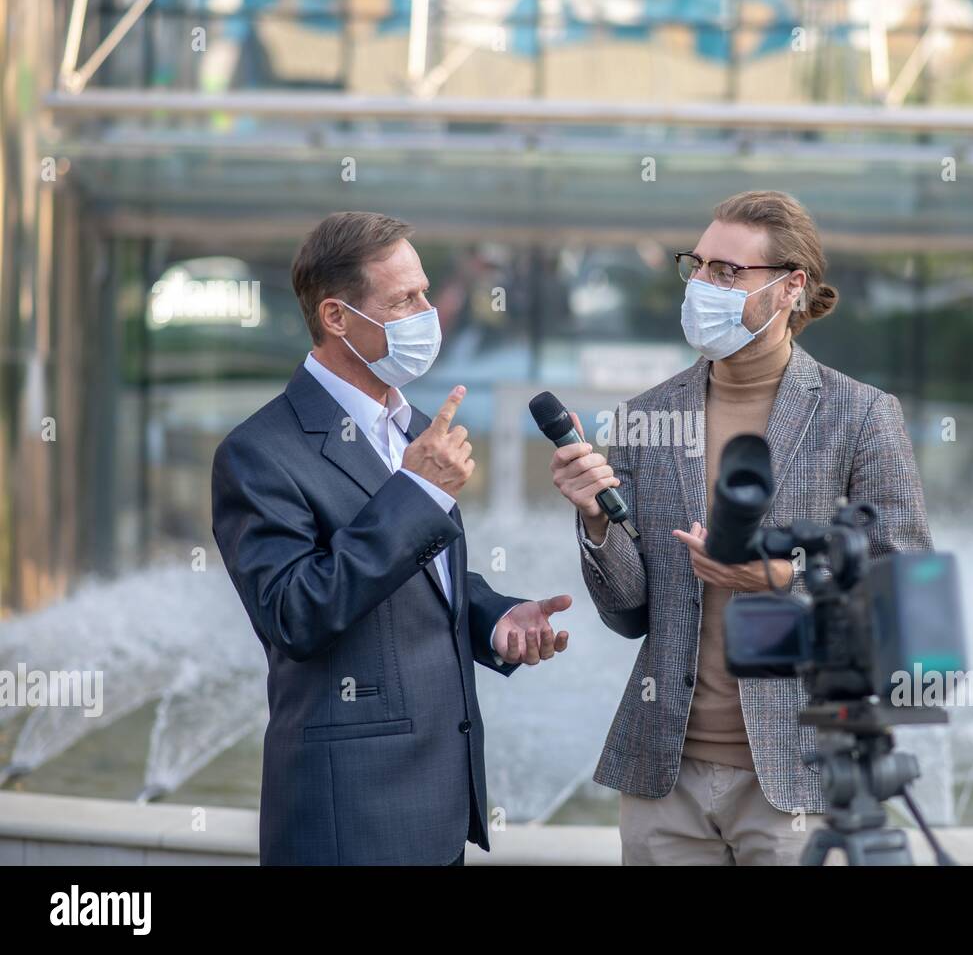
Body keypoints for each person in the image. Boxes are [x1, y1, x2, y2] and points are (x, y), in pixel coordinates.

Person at [550, 190, 933, 864]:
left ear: (791, 288)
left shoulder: (862, 415)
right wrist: (595, 521)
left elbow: (904, 585)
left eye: (728, 271)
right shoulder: (644, 415)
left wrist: (781, 576)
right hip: (663, 778)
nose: (702, 284)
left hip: (798, 773)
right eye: (696, 265)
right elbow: (629, 613)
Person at [212, 211, 571, 865]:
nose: (428, 313)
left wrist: (492, 620)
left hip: (435, 810)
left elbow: (421, 580)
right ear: (337, 318)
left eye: (426, 292)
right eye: (404, 300)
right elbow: (297, 614)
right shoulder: (259, 453)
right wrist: (420, 493)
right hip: (350, 820)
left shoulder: (414, 428)